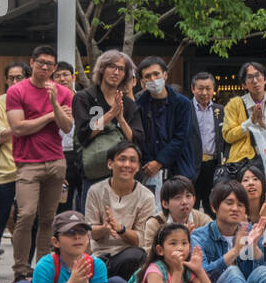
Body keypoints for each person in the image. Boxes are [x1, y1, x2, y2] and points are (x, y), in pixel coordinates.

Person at [7, 46, 74, 283]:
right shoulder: (17, 91)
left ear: (55, 68)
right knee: (25, 215)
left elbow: (66, 126)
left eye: (50, 64)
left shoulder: (63, 93)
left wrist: (54, 103)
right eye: (41, 62)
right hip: (27, 163)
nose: (45, 67)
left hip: (56, 161)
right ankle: (20, 271)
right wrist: (49, 117)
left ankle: (43, 269)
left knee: (48, 218)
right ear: (32, 62)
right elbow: (18, 127)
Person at [73, 50, 142, 204]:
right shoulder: (84, 98)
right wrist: (111, 114)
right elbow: (84, 135)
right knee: (93, 222)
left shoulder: (129, 104)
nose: (116, 72)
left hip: (124, 174)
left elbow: (136, 139)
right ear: (102, 69)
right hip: (94, 171)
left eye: (121, 69)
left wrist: (121, 118)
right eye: (112, 66)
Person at [84, 141, 155, 282]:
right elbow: (89, 231)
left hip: (128, 256)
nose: (127, 165)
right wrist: (105, 228)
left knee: (136, 255)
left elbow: (141, 240)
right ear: (110, 164)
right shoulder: (95, 191)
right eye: (122, 159)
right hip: (99, 256)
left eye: (133, 161)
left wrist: (121, 229)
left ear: (138, 167)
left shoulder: (146, 196)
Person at [135, 57, 195, 200]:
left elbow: (181, 138)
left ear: (165, 75)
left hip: (178, 167)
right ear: (142, 82)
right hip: (148, 170)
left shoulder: (182, 103)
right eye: (147, 76)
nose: (153, 79)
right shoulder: (139, 104)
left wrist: (160, 162)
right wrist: (150, 164)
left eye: (156, 74)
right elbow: (139, 136)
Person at [221, 61, 266, 183]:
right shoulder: (234, 105)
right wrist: (250, 122)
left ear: (265, 79)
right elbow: (228, 136)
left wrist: (263, 124)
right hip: (241, 164)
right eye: (250, 77)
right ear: (244, 84)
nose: (255, 81)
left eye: (258, 75)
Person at [0, 63, 27, 257]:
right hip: (4, 169)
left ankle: (25, 261)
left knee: (27, 218)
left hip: (29, 168)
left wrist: (16, 127)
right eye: (11, 78)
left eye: (19, 77)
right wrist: (24, 125)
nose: (14, 81)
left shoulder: (34, 99)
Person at [144, 175, 210, 253]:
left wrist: (194, 240)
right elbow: (150, 256)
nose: (184, 202)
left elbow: (212, 252)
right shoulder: (155, 224)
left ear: (194, 199)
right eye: (177, 197)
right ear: (165, 203)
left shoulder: (203, 221)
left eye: (188, 196)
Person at [189, 72, 224, 212]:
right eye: (200, 88)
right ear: (193, 89)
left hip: (213, 166)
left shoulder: (220, 110)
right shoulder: (186, 108)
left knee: (212, 207)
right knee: (192, 206)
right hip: (192, 165)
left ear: (213, 89)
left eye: (208, 88)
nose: (204, 92)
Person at [52, 62, 81, 210]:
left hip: (82, 154)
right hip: (60, 155)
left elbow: (98, 126)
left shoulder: (86, 98)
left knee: (84, 200)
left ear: (73, 77)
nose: (62, 79)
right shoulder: (50, 101)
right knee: (63, 203)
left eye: (65, 75)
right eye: (57, 76)